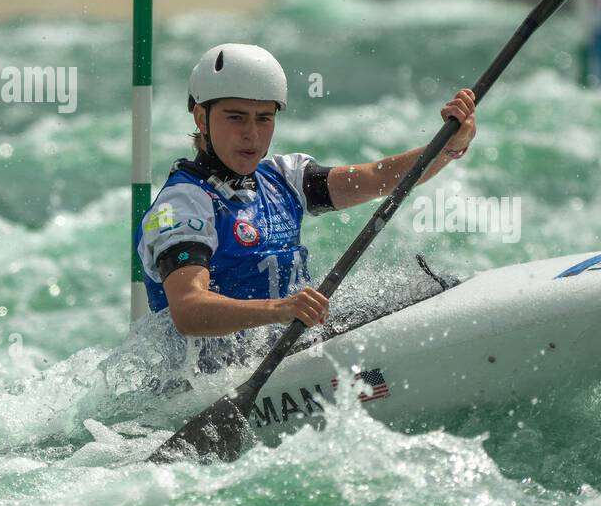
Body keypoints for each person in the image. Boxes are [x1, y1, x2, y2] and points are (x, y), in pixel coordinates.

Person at [135, 43, 475, 364]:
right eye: (235, 117)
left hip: (289, 356)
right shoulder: (183, 205)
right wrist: (280, 311)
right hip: (210, 383)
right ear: (200, 118)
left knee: (422, 288)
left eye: (264, 118)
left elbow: (377, 178)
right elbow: (189, 311)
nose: (251, 133)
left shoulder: (284, 177)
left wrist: (447, 147)